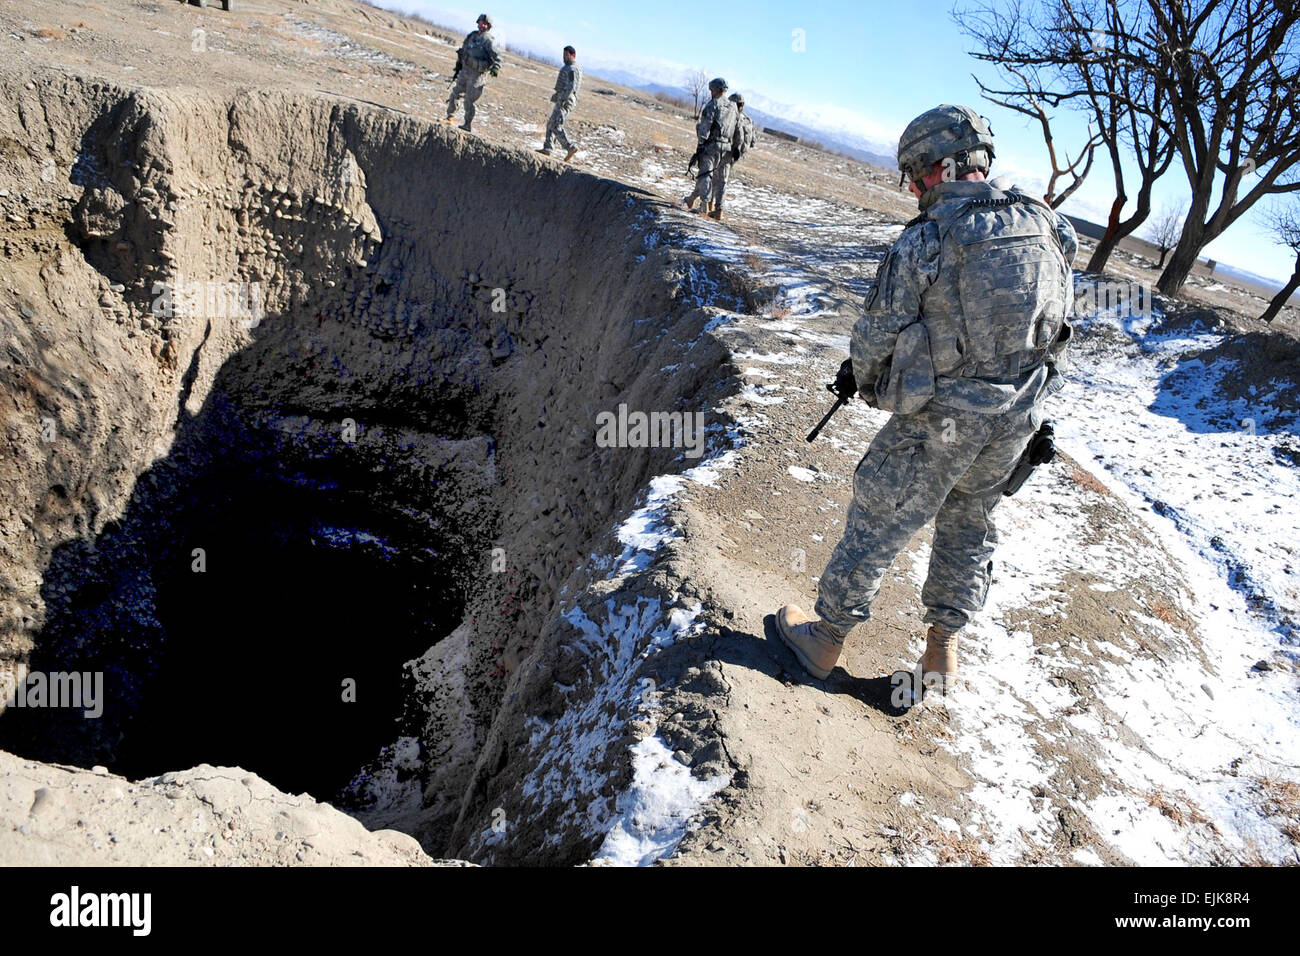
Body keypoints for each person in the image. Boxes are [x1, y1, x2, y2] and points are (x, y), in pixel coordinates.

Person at [775, 105, 1077, 695]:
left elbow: (875, 335)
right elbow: (1061, 326)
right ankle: (941, 654)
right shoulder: (1049, 225)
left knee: (880, 514)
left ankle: (825, 640)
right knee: (970, 523)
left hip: (942, 422)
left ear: (942, 167)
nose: (914, 191)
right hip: (1016, 416)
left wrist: (868, 380)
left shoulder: (928, 238)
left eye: (915, 177)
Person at [682, 77, 737, 215]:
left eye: (711, 89)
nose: (711, 92)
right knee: (712, 175)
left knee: (705, 174)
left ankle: (704, 205)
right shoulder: (733, 107)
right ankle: (693, 199)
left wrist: (701, 142)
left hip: (711, 145)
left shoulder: (713, 104)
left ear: (717, 90)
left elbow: (705, 127)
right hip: (725, 147)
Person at [446, 13, 501, 132]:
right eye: (481, 23)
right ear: (478, 23)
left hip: (477, 75)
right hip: (465, 71)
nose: (483, 25)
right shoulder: (472, 36)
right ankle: (450, 116)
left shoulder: (489, 41)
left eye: (485, 24)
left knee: (469, 100)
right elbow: (464, 50)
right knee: (455, 93)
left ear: (489, 26)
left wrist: (495, 68)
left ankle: (467, 124)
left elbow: (497, 57)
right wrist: (459, 63)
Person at [709, 91, 756, 220]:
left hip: (728, 151)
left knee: (719, 179)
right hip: (738, 155)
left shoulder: (733, 117)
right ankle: (712, 206)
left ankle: (716, 209)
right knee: (721, 179)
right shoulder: (749, 120)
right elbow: (753, 142)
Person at [539, 46, 582, 162]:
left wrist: (563, 98)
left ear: (573, 55)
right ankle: (548, 148)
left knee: (556, 125)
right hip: (561, 99)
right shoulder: (567, 67)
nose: (564, 57)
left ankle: (570, 147)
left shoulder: (573, 69)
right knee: (551, 123)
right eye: (563, 55)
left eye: (566, 55)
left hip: (565, 101)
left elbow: (571, 87)